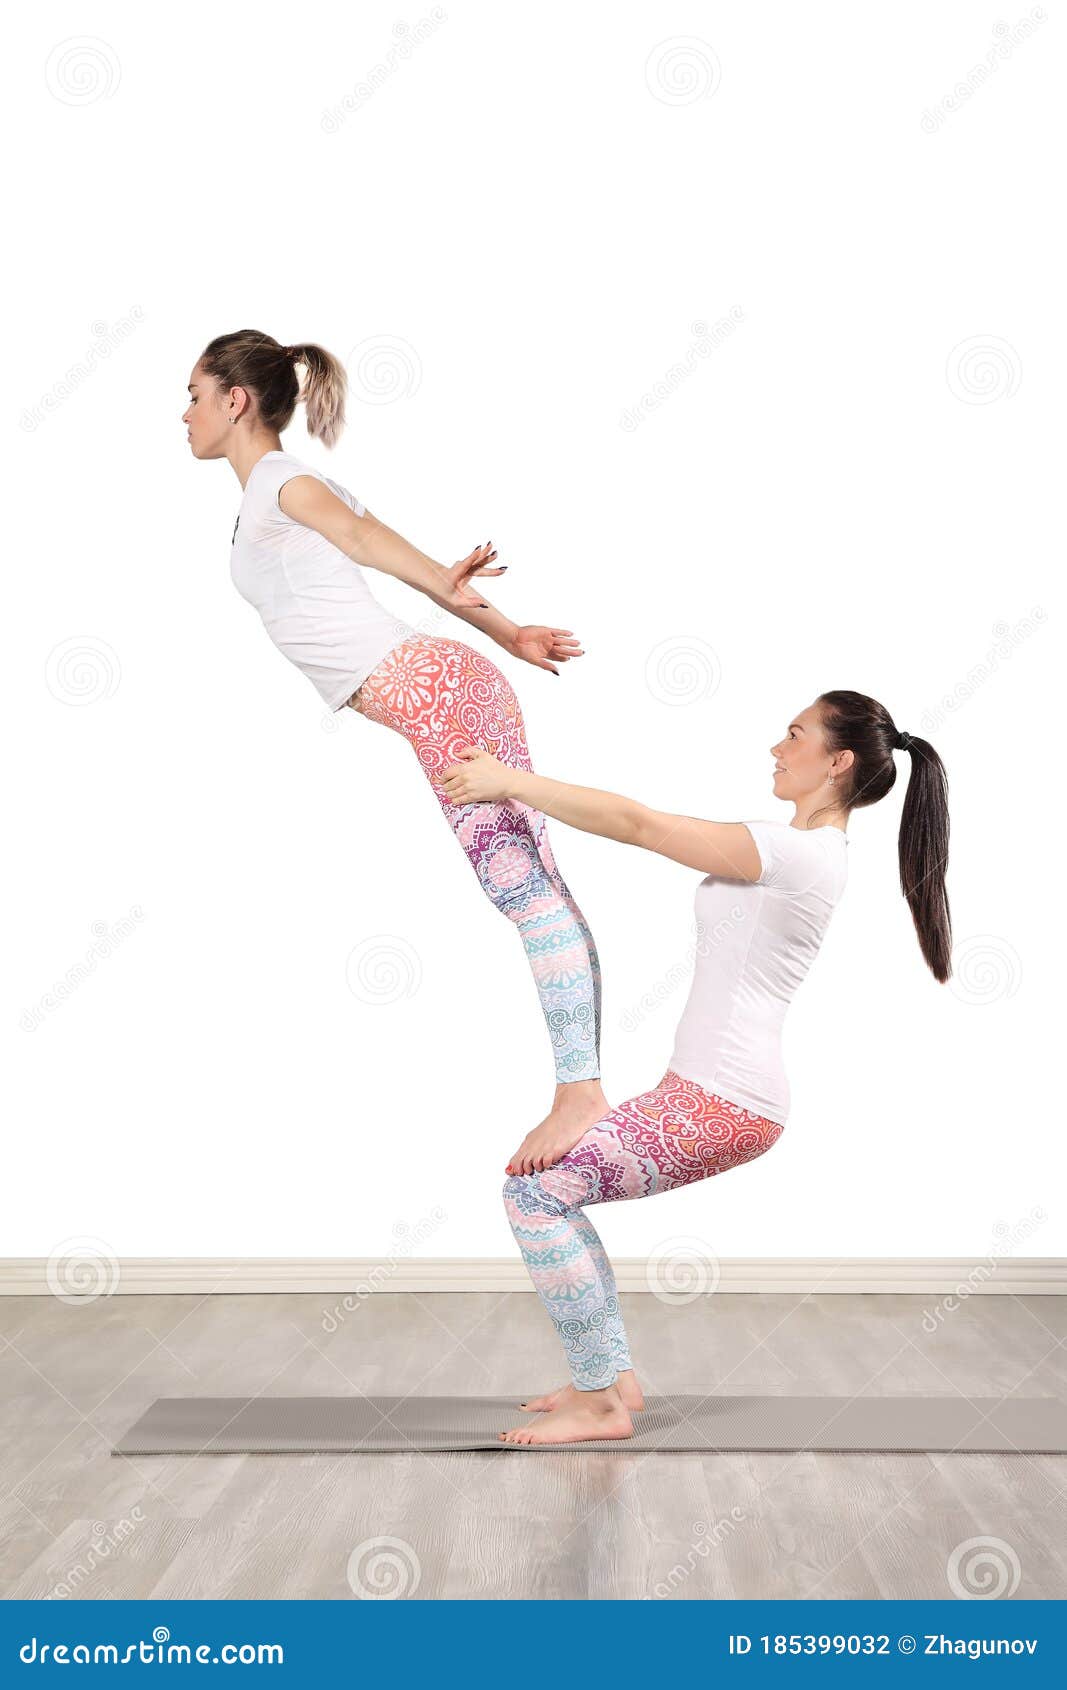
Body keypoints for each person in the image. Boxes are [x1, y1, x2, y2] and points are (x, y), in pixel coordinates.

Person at [440, 698, 951, 1445]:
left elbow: (640, 825)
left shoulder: (799, 855)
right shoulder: (795, 849)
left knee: (535, 1196)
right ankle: (612, 1380)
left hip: (727, 1102)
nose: (777, 746)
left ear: (837, 762)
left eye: (795, 734)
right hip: (703, 1093)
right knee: (545, 1192)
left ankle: (601, 1403)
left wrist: (510, 780)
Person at [184, 330, 607, 1145]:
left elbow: (368, 544)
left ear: (233, 401)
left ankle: (579, 1094)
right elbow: (384, 554)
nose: (184, 415)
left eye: (195, 396)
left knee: (522, 888)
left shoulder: (283, 480)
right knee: (530, 886)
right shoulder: (283, 489)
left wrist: (466, 600)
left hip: (436, 693)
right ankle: (580, 1084)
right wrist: (511, 634)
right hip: (440, 689)